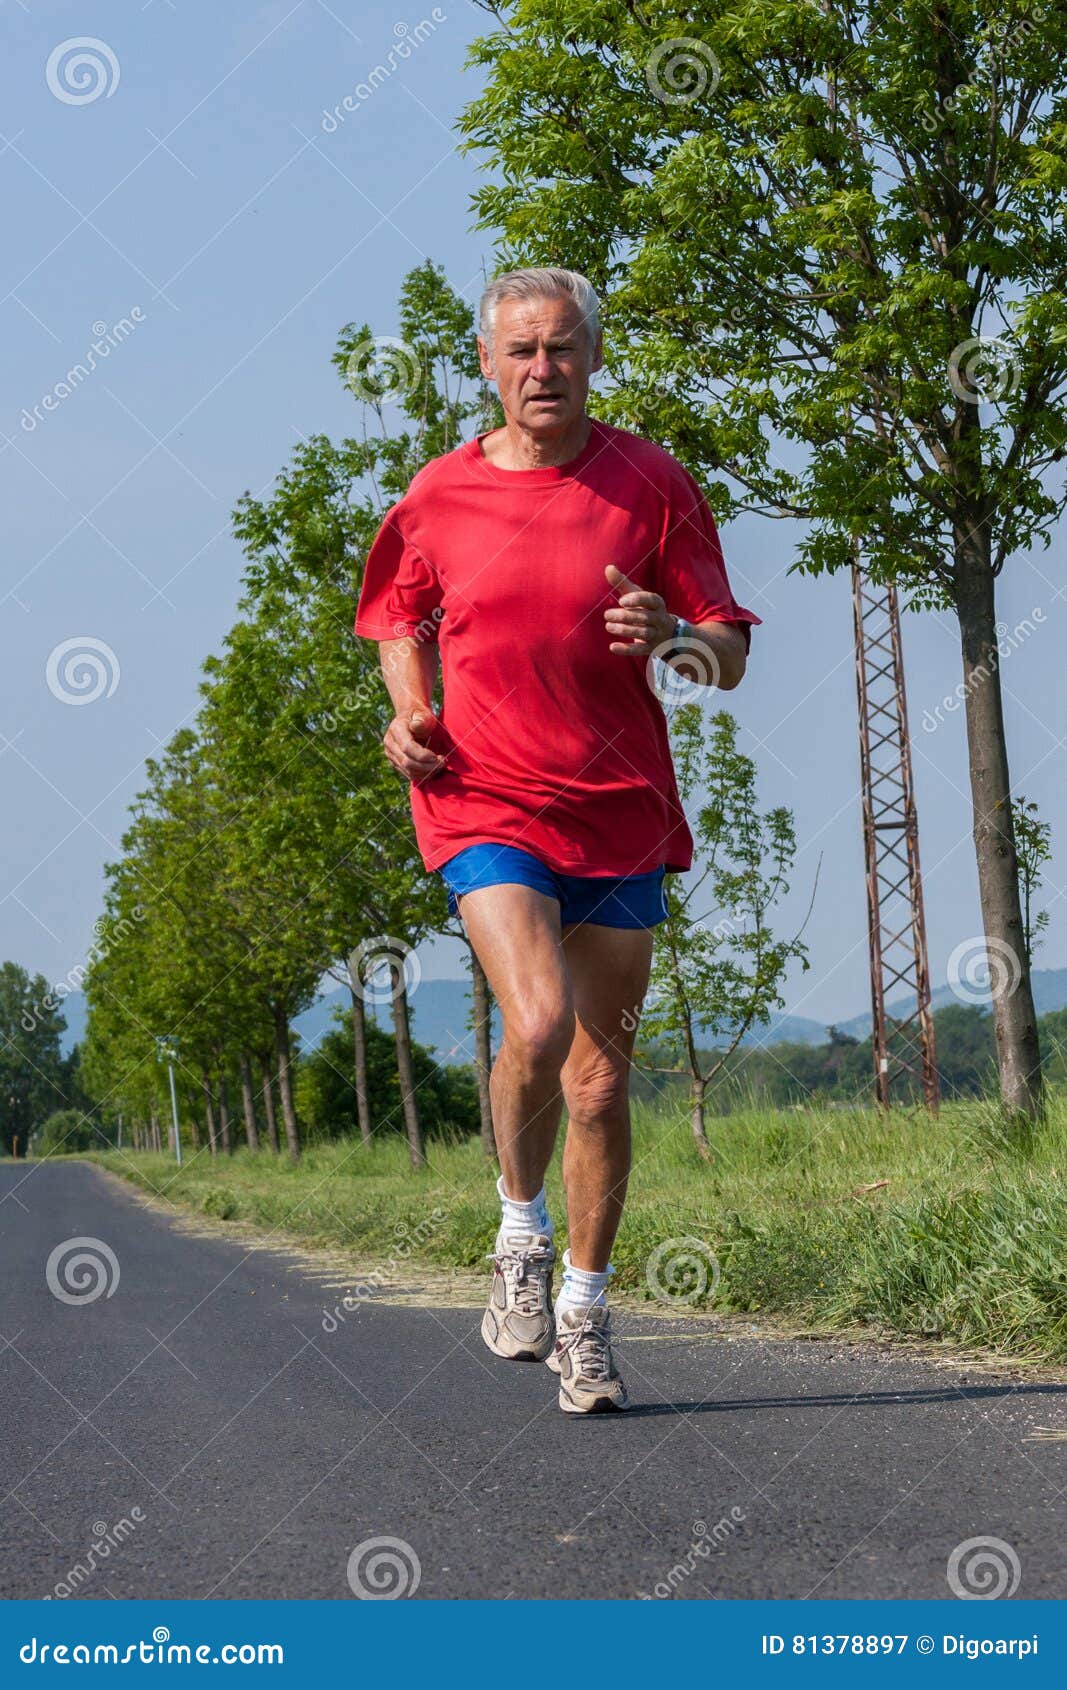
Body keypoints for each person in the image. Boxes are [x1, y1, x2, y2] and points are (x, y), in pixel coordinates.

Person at [354, 266, 760, 1413]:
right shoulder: (435, 494)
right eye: (522, 350)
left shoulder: (651, 482)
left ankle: (585, 1314)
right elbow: (396, 615)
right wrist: (408, 709)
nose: (544, 369)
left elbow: (725, 650)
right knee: (534, 1020)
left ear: (593, 355)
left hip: (619, 804)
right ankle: (517, 1238)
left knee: (595, 1083)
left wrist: (676, 631)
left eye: (564, 347)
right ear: (485, 364)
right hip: (483, 796)